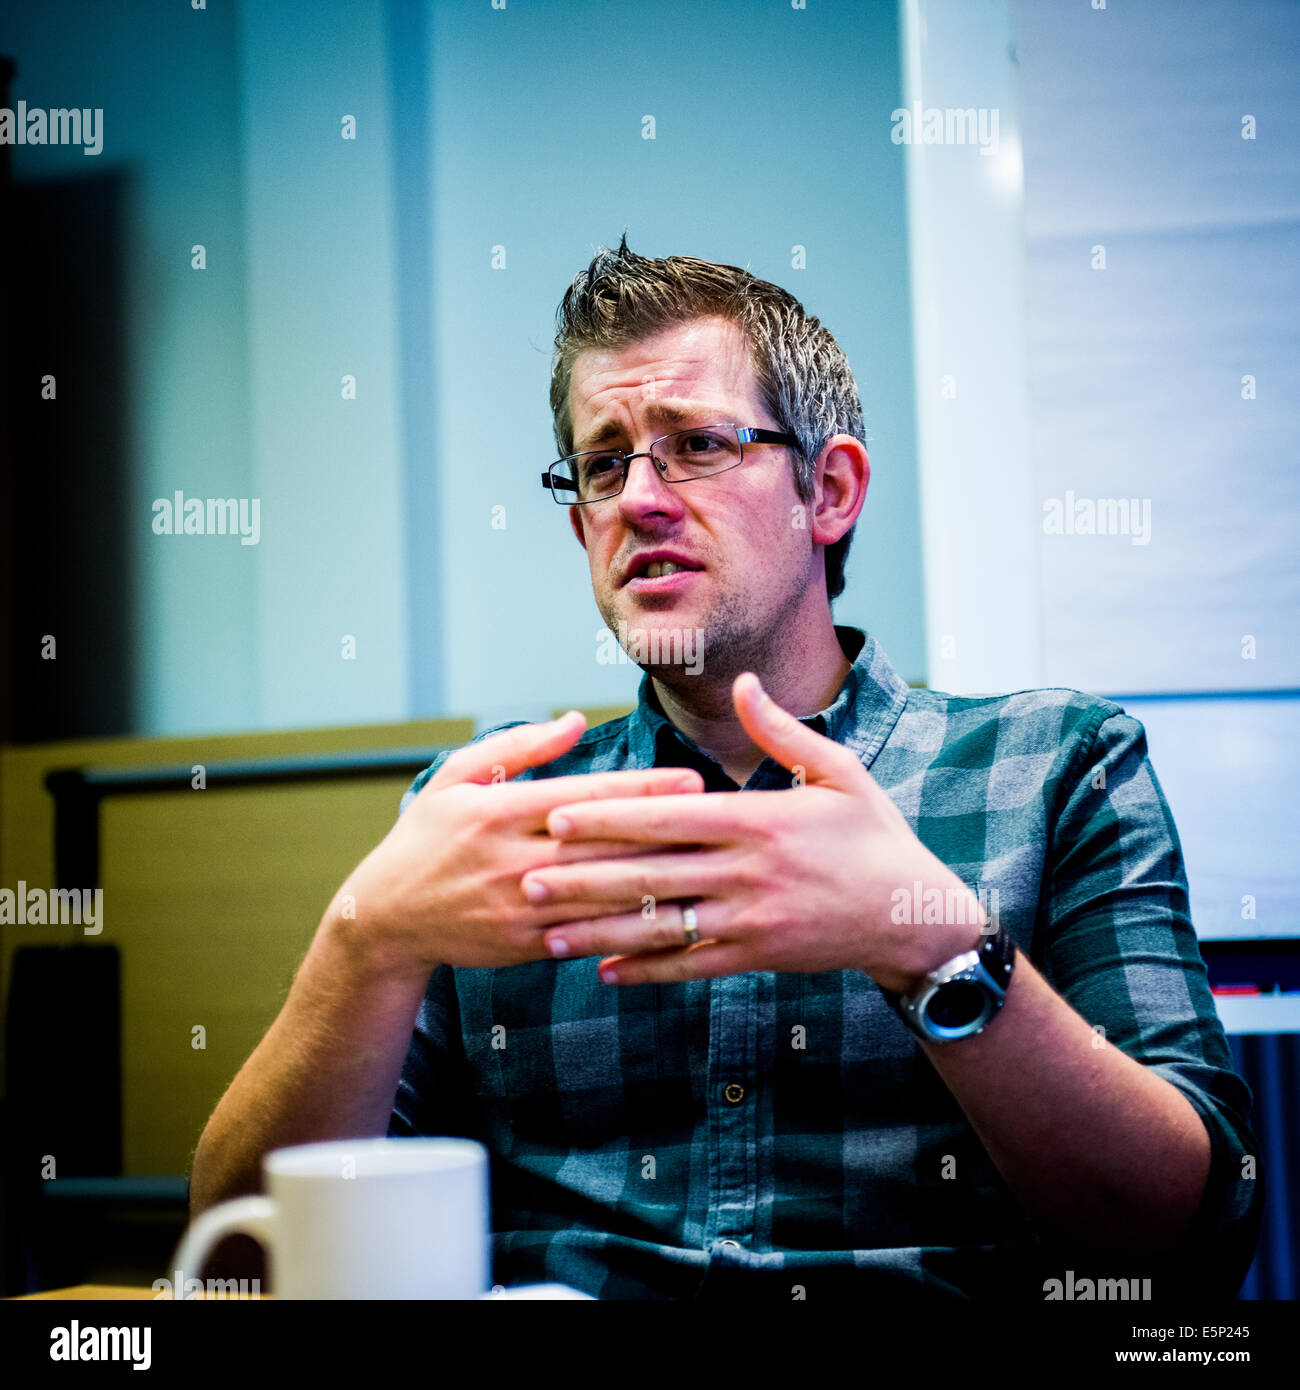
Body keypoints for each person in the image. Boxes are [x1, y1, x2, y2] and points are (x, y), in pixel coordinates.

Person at [191, 236, 1261, 1302]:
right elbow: (241, 1272)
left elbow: (1196, 1234)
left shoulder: (1058, 765)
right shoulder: (488, 817)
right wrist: (361, 945)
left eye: (697, 445)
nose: (638, 499)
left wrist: (928, 944)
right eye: (603, 464)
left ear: (827, 491)